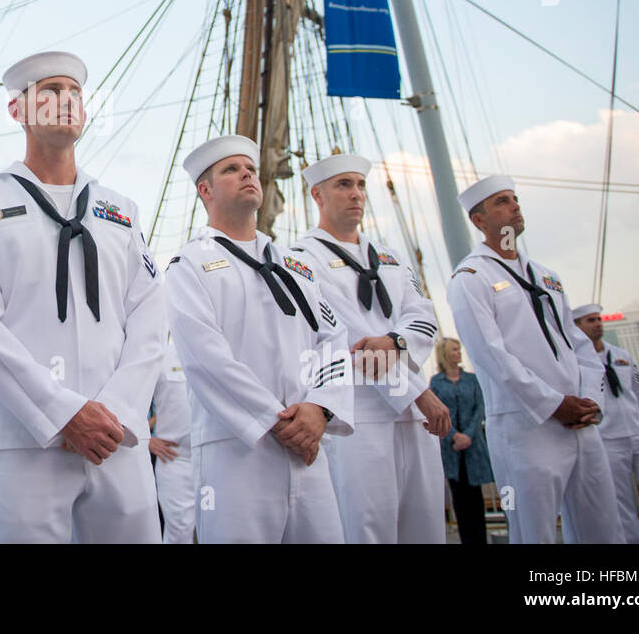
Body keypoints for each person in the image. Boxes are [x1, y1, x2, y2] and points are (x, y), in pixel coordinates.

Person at [0, 51, 165, 544]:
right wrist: (63, 412)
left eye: (74, 94)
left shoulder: (121, 211)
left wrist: (113, 411)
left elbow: (149, 320)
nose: (65, 101)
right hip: (28, 440)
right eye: (49, 92)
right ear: (17, 111)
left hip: (119, 440)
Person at [164, 135, 352, 543]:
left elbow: (334, 339)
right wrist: (278, 421)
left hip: (308, 447)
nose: (247, 173)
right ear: (205, 190)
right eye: (230, 170)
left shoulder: (297, 267)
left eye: (249, 167)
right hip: (237, 451)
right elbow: (207, 360)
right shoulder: (189, 265)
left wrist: (320, 409)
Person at [446, 175, 621, 544]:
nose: (515, 206)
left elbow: (581, 346)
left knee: (603, 526)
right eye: (502, 202)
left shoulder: (547, 277)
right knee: (533, 532)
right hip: (527, 426)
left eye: (515, 198)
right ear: (479, 220)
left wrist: (591, 400)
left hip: (581, 422)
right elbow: (491, 356)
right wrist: (554, 403)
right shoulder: (471, 278)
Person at [290, 153, 450, 543]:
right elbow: (350, 339)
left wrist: (395, 341)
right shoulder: (301, 259)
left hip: (414, 418)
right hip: (358, 415)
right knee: (366, 528)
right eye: (344, 185)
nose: (356, 194)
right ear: (317, 194)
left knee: (427, 527)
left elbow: (424, 318)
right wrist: (421, 393)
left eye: (360, 185)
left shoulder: (391, 257)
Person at [573, 304, 639, 544]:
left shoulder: (623, 355)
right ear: (577, 327)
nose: (598, 323)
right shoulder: (577, 363)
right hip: (608, 438)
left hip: (637, 433)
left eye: (598, 319)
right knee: (620, 500)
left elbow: (636, 387)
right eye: (590, 320)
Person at [429, 336, 493, 544]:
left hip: (472, 445)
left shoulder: (472, 380)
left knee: (475, 496)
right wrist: (454, 435)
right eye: (454, 350)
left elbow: (480, 409)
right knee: (459, 497)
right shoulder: (436, 383)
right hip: (451, 447)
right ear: (446, 354)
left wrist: (468, 434)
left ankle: (480, 539)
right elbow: (435, 410)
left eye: (459, 349)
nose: (458, 353)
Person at [148, 334, 194, 543]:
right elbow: (135, 399)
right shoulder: (161, 354)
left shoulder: (216, 351)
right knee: (179, 531)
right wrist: (145, 438)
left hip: (217, 458)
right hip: (175, 459)